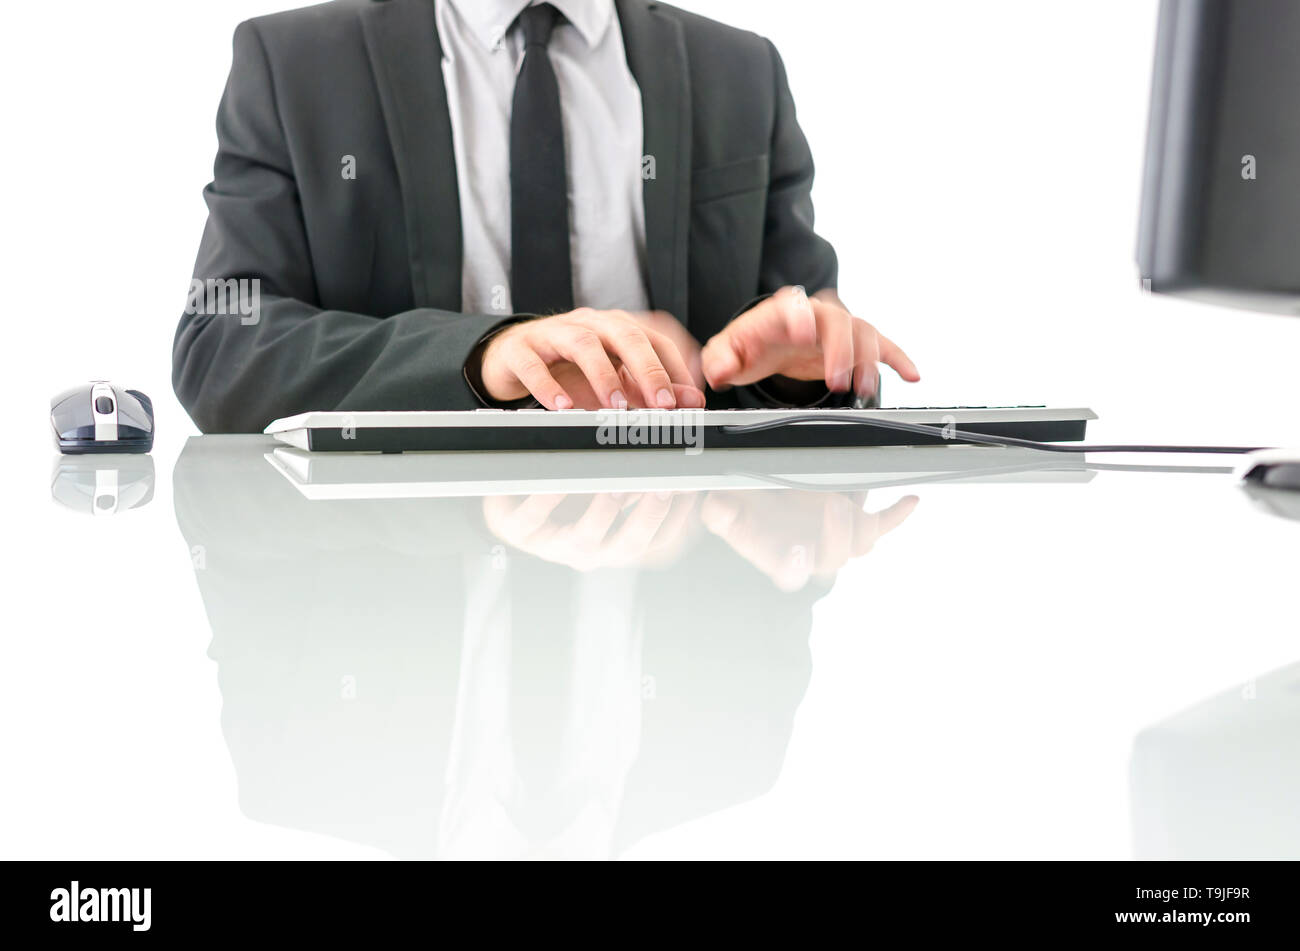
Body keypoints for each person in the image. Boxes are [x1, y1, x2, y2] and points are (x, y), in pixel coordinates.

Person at [173, 0, 919, 432]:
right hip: (393, 611)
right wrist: (481, 356)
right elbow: (222, 344)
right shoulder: (296, 63)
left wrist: (800, 378)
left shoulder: (741, 72)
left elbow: (805, 358)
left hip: (678, 613)